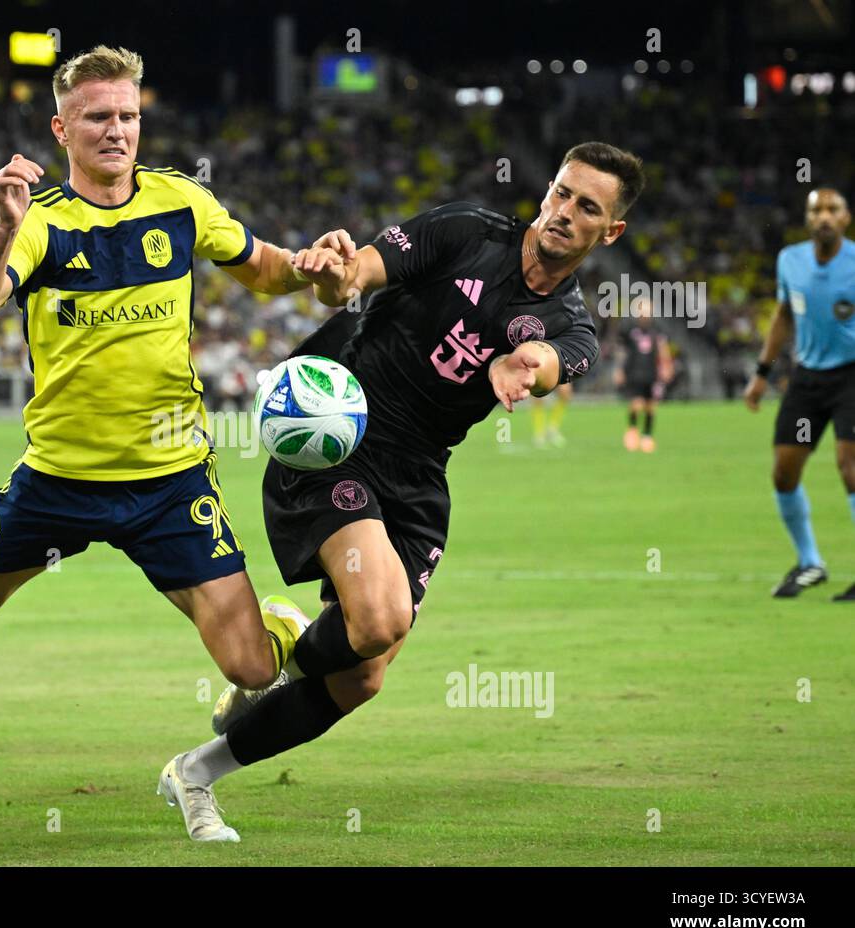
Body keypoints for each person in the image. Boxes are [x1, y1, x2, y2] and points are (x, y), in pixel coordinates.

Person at [0, 46, 343, 842]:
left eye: (128, 116)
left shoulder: (183, 202)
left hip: (170, 479)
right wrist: (3, 229)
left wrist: (313, 265)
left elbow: (266, 269)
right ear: (61, 128)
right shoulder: (41, 222)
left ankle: (275, 622)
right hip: (58, 480)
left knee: (254, 669)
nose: (117, 131)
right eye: (98, 117)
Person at [162, 143, 645, 841]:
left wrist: (524, 364)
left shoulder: (573, 327)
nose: (566, 213)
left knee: (364, 675)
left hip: (418, 476)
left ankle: (196, 772)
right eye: (563, 194)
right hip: (339, 432)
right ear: (547, 191)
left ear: (612, 232)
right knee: (381, 619)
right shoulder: (467, 232)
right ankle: (287, 649)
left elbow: (549, 360)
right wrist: (333, 273)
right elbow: (357, 275)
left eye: (588, 207)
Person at [744, 188, 855, 600]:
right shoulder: (790, 260)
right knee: (784, 472)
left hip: (851, 378)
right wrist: (761, 373)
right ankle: (810, 563)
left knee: (850, 468)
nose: (824, 217)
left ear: (845, 218)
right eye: (816, 210)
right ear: (808, 219)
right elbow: (783, 315)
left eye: (832, 210)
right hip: (808, 380)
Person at [614, 295, 673, 452]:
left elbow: (663, 349)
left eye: (648, 310)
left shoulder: (657, 329)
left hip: (652, 373)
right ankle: (632, 431)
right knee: (635, 404)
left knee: (650, 407)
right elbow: (622, 351)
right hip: (633, 372)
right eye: (643, 310)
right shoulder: (629, 328)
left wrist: (666, 367)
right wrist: (619, 369)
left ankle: (647, 436)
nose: (645, 313)